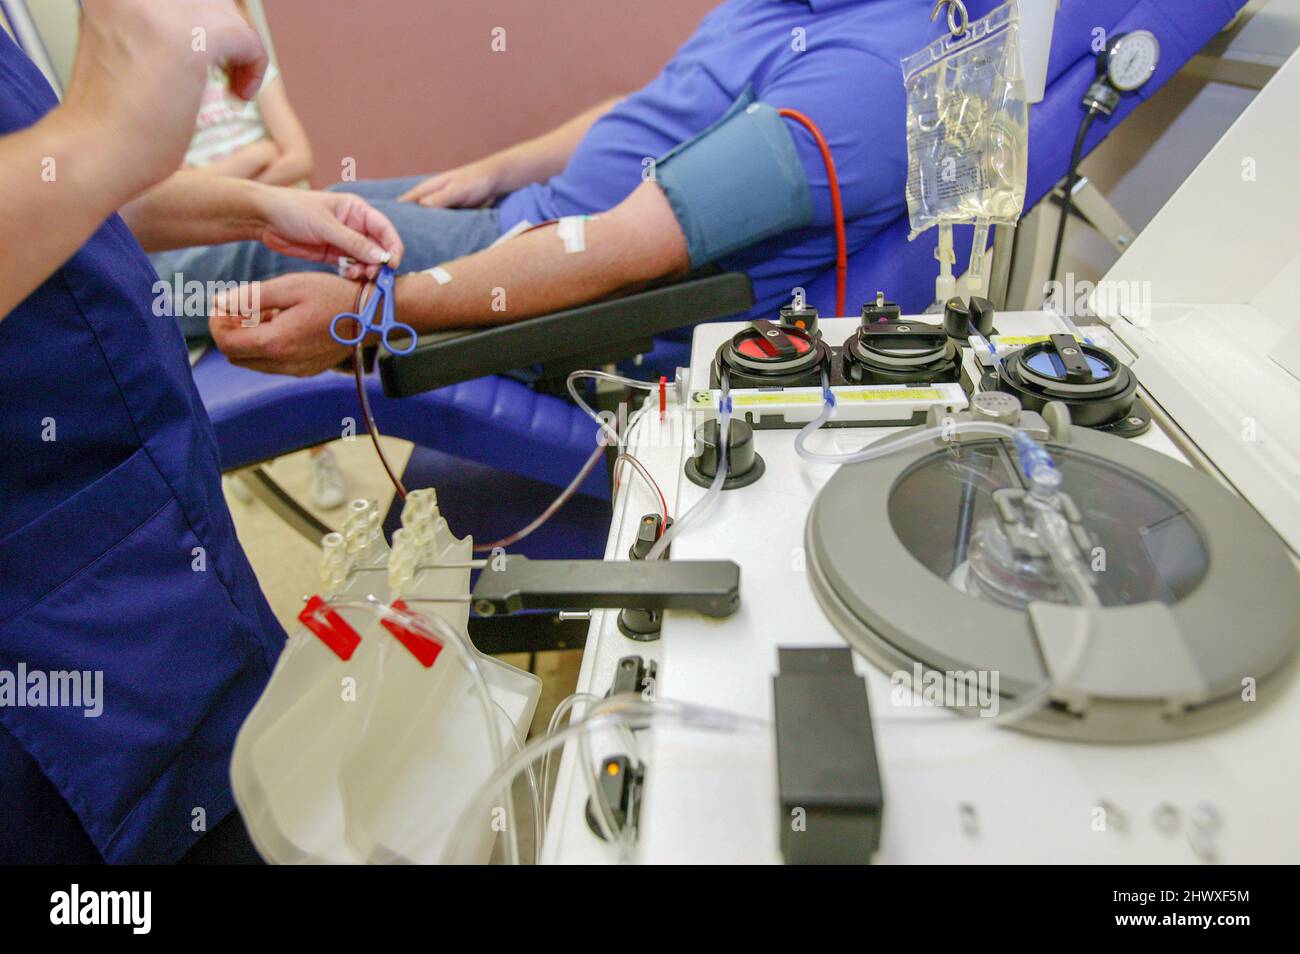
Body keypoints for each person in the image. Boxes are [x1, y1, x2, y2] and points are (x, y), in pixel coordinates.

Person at [0, 0, 401, 863]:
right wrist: (107, 129)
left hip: (146, 533)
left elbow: (53, 205)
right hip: (54, 639)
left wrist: (255, 210)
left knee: (254, 791)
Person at [154, 0, 939, 377]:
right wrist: (502, 169)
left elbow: (624, 249)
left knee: (247, 264)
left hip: (543, 265)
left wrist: (371, 312)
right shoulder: (781, 9)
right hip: (522, 208)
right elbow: (653, 103)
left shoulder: (861, 80)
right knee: (285, 218)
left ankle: (69, 312)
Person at [154, 0, 348, 508]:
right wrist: (256, 158)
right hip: (197, 246)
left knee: (288, 293)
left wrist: (220, 190)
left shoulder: (255, 72)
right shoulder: (160, 86)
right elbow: (164, 194)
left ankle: (318, 449)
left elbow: (298, 157)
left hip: (265, 227)